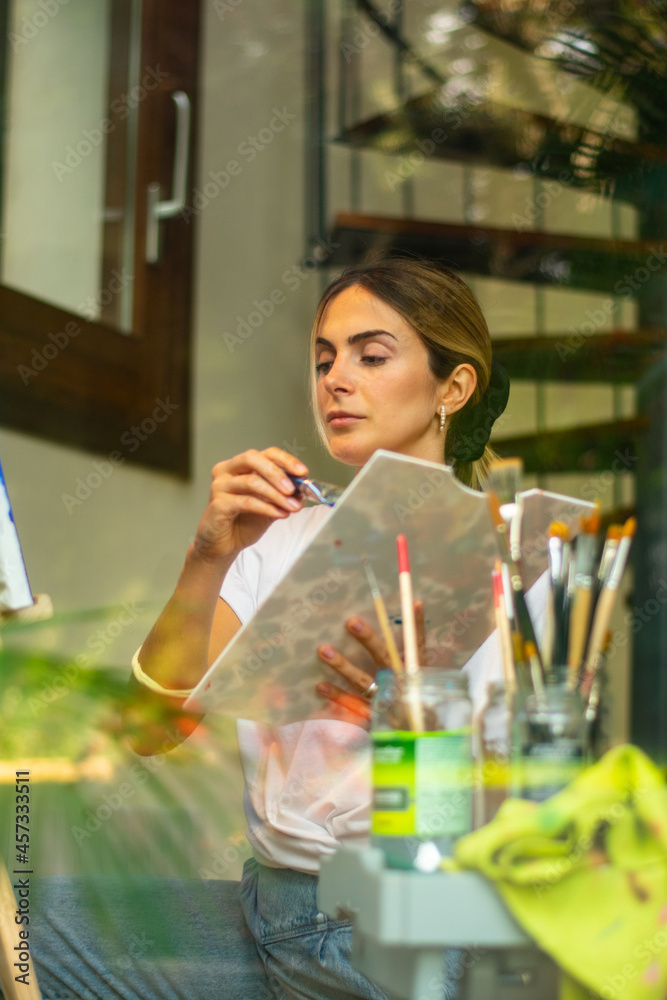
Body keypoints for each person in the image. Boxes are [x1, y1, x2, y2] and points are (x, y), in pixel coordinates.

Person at [18, 258, 523, 1000]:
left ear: (453, 386)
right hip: (269, 912)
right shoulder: (280, 535)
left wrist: (415, 713)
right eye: (324, 359)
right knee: (17, 925)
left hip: (405, 922)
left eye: (370, 356)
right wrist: (209, 556)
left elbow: (514, 809)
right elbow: (148, 729)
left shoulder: (498, 552)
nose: (335, 379)